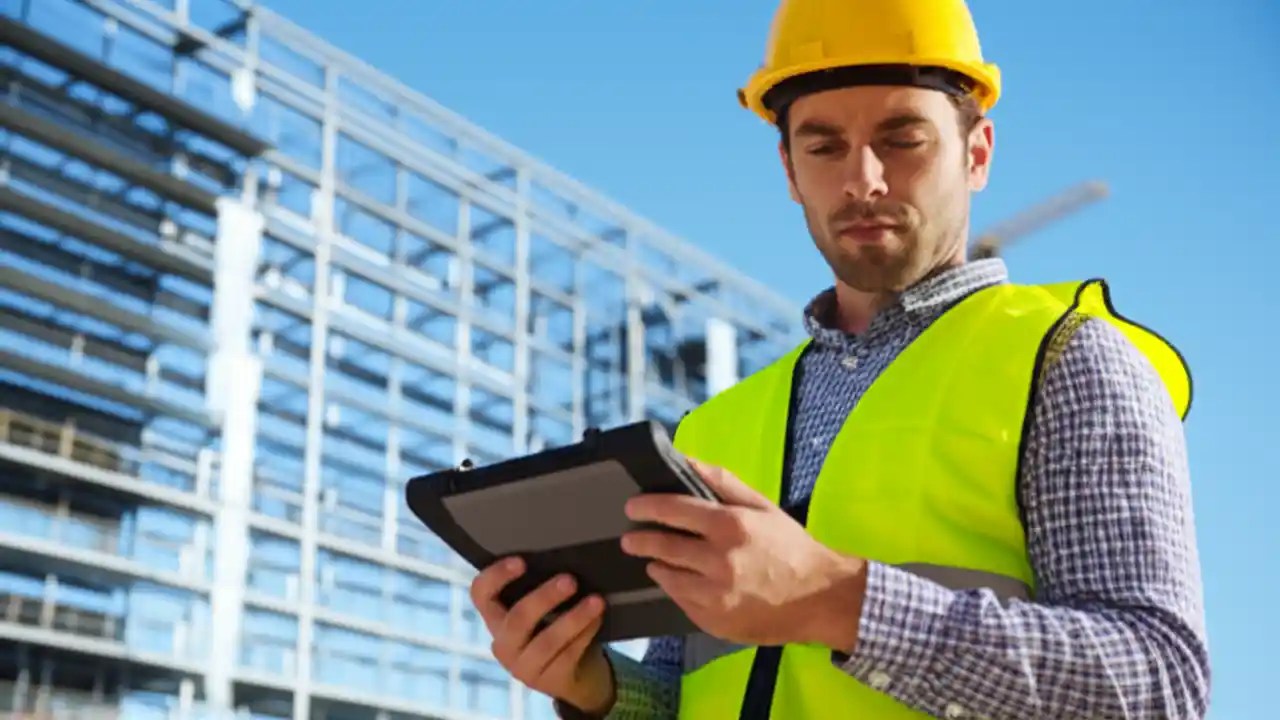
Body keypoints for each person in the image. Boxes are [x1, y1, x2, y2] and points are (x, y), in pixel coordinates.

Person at [467, 0, 1211, 717]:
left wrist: (834, 601)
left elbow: (1157, 684)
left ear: (976, 153)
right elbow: (689, 697)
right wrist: (594, 688)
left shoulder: (1068, 362)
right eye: (824, 147)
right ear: (790, 171)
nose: (863, 181)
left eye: (903, 138)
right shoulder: (711, 429)